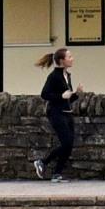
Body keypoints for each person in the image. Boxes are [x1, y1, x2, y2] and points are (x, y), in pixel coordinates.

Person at [36, 47, 77, 180]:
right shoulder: (54, 76)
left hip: (67, 112)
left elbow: (68, 97)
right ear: (61, 60)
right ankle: (43, 162)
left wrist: (76, 94)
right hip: (56, 113)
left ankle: (57, 174)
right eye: (69, 57)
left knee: (69, 145)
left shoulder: (67, 75)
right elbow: (45, 94)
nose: (72, 59)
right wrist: (61, 96)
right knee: (66, 143)